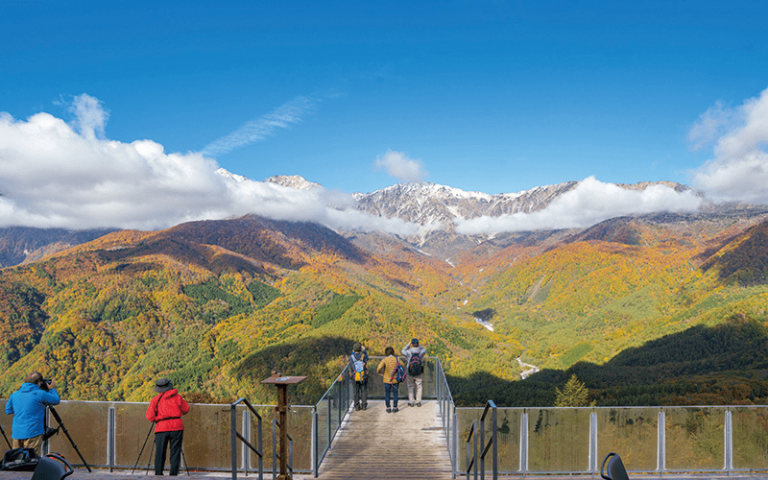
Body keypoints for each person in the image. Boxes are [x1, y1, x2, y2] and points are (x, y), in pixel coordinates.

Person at [4, 372, 60, 455]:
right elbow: (56, 400)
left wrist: (22, 409)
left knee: (17, 460)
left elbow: (8, 410)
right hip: (33, 432)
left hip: (17, 433)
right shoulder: (40, 394)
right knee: (31, 460)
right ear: (39, 382)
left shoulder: (14, 395)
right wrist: (52, 389)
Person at [145, 378, 190, 476]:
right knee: (175, 452)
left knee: (160, 453)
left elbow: (149, 416)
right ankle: (173, 475)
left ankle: (159, 474)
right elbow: (186, 409)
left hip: (161, 428)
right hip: (177, 427)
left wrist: (158, 418)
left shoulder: (155, 400)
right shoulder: (178, 398)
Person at [376, 347, 404, 413]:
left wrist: (380, 373)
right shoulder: (397, 359)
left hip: (387, 380)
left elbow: (379, 368)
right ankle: (395, 407)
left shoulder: (385, 360)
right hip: (395, 379)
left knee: (387, 393)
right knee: (395, 393)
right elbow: (403, 364)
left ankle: (388, 407)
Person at [402, 338, 427, 407]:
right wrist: (419, 346)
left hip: (409, 371)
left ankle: (411, 401)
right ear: (418, 344)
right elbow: (424, 350)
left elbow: (402, 351)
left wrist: (408, 345)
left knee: (410, 386)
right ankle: (418, 401)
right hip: (419, 371)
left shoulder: (408, 352)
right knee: (419, 386)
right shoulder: (421, 352)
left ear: (412, 344)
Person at [348, 342, 369, 411]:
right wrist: (364, 351)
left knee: (356, 391)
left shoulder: (351, 357)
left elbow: (351, 365)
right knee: (363, 390)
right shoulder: (363, 356)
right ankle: (364, 405)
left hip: (355, 376)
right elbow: (366, 362)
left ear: (354, 349)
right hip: (363, 376)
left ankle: (357, 406)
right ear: (360, 349)